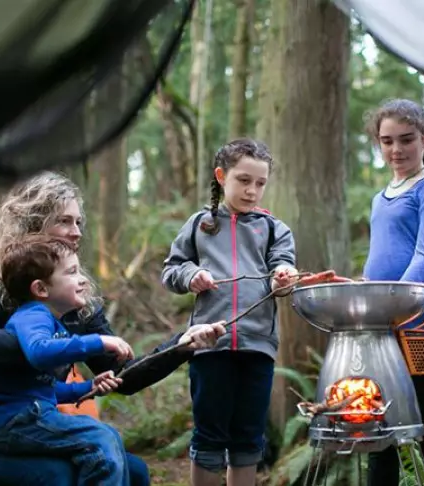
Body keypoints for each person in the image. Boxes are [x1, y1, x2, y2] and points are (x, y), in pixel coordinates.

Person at [0, 172, 226, 486]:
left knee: (133, 470)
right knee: (58, 475)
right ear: (33, 225)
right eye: (65, 221)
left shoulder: (71, 301)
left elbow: (122, 373)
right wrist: (41, 346)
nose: (76, 232)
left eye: (79, 222)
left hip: (29, 431)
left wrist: (182, 345)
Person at [161, 138, 297, 486]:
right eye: (244, 180)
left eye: (260, 183)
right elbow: (172, 270)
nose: (252, 191)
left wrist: (283, 279)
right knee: (209, 435)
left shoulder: (273, 229)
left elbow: (283, 268)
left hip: (257, 348)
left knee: (248, 438)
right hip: (209, 346)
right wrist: (192, 276)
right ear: (222, 176)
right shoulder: (199, 225)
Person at [0, 236, 135, 485]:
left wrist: (89, 387)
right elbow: (39, 353)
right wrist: (98, 341)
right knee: (100, 438)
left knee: (108, 436)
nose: (83, 279)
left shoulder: (52, 322)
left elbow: (42, 387)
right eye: (72, 272)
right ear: (41, 289)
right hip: (12, 421)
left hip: (27, 417)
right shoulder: (32, 315)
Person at [361, 98, 424, 486]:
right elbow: (379, 258)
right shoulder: (379, 197)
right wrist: (364, 292)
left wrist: (392, 301)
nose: (396, 150)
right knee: (379, 433)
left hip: (421, 324)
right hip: (381, 326)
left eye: (406, 139)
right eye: (387, 141)